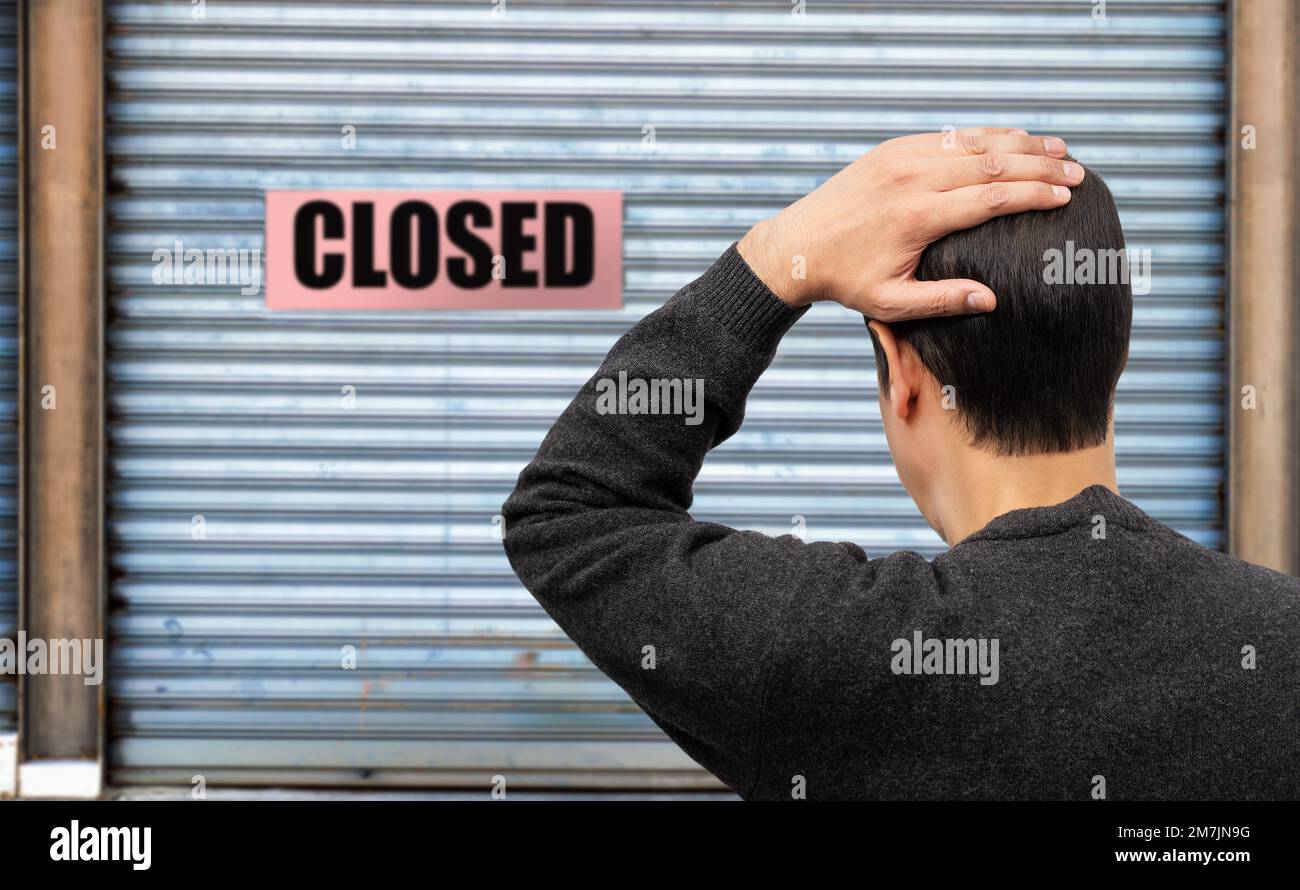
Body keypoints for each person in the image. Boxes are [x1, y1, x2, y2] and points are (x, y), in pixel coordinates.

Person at [501, 129, 1299, 800]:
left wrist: (778, 261)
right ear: (1114, 354)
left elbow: (571, 512)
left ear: (904, 373)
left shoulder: (835, 655)